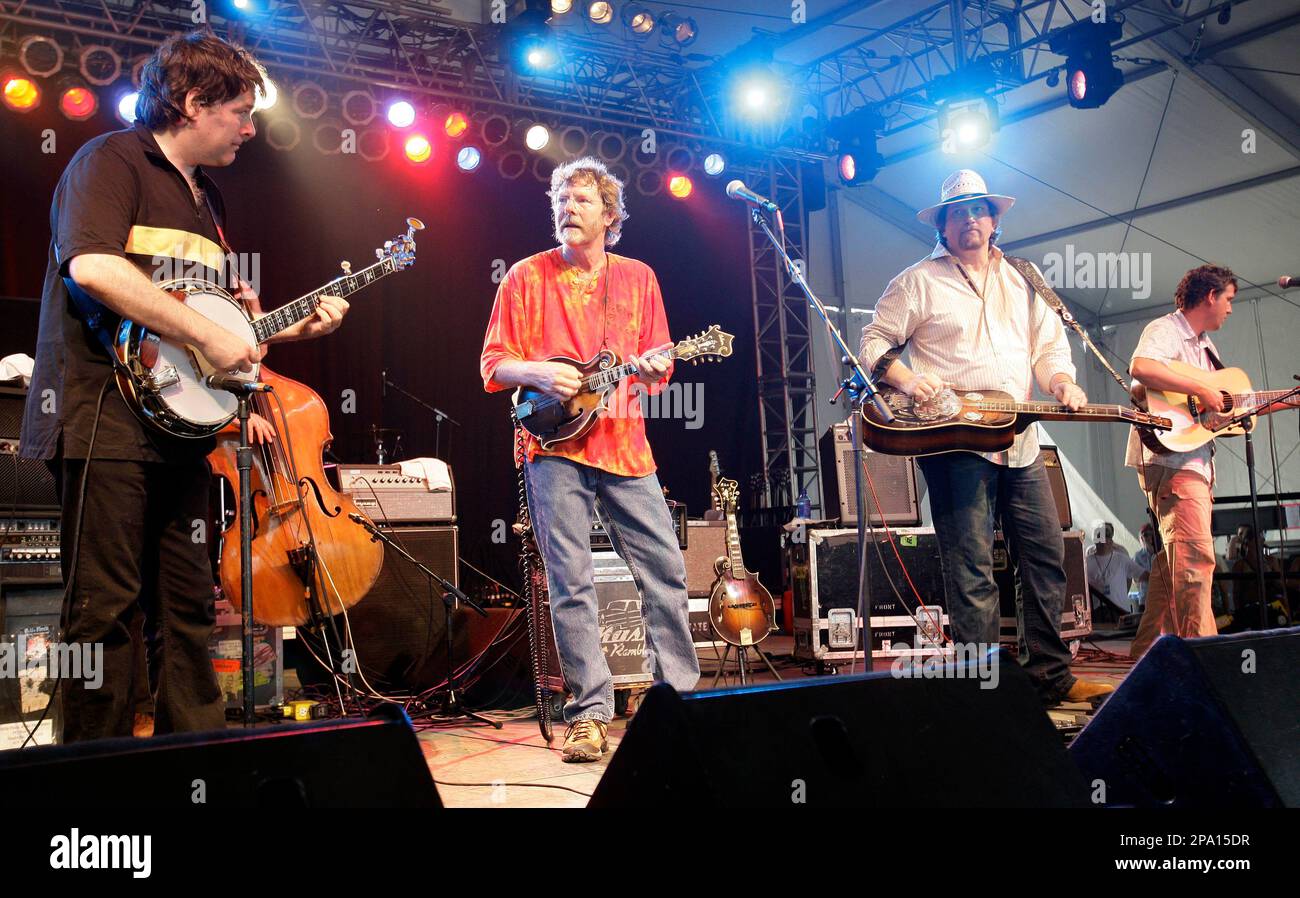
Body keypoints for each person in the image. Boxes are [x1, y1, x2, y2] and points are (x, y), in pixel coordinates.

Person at [20, 30, 349, 743]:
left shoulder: (208, 198)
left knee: (189, 611)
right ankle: (94, 780)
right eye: (238, 111)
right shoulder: (110, 161)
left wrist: (287, 330)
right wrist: (208, 335)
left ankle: (195, 768)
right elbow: (94, 269)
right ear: (194, 102)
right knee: (103, 614)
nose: (249, 127)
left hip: (183, 432)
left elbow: (217, 324)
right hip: (102, 419)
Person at [859, 169, 1114, 706]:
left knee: (1045, 557)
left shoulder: (1025, 277)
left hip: (1020, 439)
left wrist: (1063, 384)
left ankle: (1051, 677)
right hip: (953, 440)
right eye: (958, 213)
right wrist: (908, 379)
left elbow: (1050, 351)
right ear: (944, 227)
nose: (969, 219)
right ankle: (985, 693)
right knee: (971, 566)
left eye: (978, 210)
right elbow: (872, 346)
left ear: (995, 220)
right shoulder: (917, 280)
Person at [479, 157, 699, 761]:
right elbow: (493, 365)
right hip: (551, 447)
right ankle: (589, 713)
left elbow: (659, 364)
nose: (568, 209)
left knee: (666, 572)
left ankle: (675, 700)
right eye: (562, 200)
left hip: (626, 443)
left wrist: (659, 365)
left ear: (610, 214)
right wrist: (540, 372)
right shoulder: (525, 277)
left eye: (581, 200)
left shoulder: (639, 278)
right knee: (571, 582)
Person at [1125, 264, 1237, 657]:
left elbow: (1202, 413)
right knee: (1195, 561)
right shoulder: (1167, 329)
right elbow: (1141, 368)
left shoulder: (1207, 348)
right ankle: (1207, 663)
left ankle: (1143, 661)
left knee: (1172, 567)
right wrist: (1201, 387)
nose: (1230, 308)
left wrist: (1220, 412)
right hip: (1172, 461)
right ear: (1210, 296)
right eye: (1228, 299)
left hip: (1194, 460)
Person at [1085, 522, 1146, 614]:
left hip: (1120, 610)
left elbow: (1134, 575)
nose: (1103, 542)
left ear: (1111, 540)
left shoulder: (1121, 555)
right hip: (1097, 611)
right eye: (1100, 538)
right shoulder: (1087, 559)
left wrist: (1123, 595)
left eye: (1107, 536)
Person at [1133, 522, 1157, 606]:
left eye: (1151, 534)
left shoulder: (1161, 553)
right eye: (1146, 535)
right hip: (1145, 599)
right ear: (1141, 538)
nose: (1149, 537)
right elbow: (1136, 578)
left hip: (1161, 598)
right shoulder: (1138, 556)